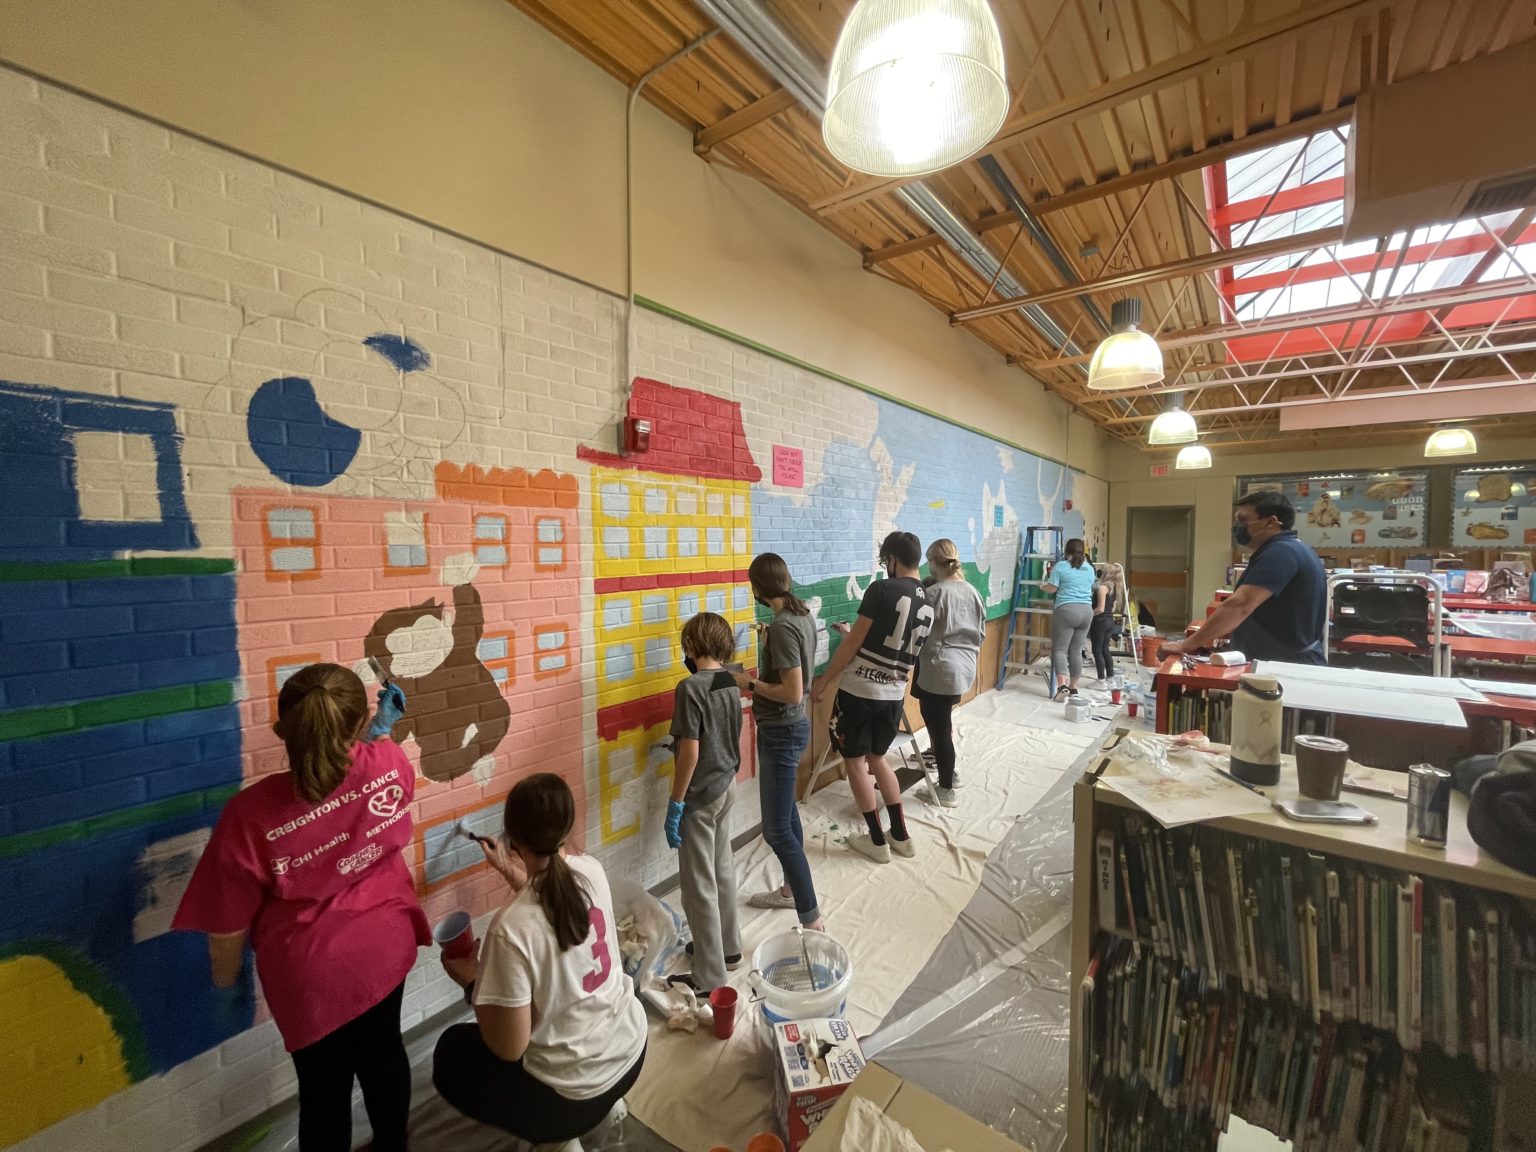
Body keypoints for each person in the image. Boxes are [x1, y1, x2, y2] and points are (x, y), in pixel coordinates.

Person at [173, 664, 425, 1152]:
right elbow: (365, 782)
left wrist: (226, 988)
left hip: (311, 979)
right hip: (384, 949)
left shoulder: (249, 815)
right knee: (384, 1057)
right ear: (355, 726)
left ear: (283, 730)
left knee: (324, 1096)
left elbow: (226, 928)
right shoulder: (389, 762)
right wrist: (379, 733)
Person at [433, 773, 646, 1149]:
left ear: (513, 840)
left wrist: (472, 983)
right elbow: (549, 901)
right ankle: (607, 1111)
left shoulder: (509, 928)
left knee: (451, 1053)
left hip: (573, 1096)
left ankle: (561, 1141)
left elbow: (509, 1048)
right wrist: (508, 870)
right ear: (567, 828)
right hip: (632, 1051)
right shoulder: (590, 871)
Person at [812, 531, 933, 863]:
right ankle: (901, 836)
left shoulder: (881, 589)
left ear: (892, 560)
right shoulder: (929, 602)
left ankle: (876, 841)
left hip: (860, 692)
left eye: (885, 562)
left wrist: (824, 679)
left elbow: (854, 645)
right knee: (879, 759)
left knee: (855, 763)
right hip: (894, 695)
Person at [732, 553, 823, 931]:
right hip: (790, 729)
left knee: (776, 830)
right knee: (787, 816)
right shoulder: (799, 617)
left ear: (757, 586)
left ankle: (812, 918)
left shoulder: (785, 626)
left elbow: (792, 691)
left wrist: (747, 683)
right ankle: (789, 890)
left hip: (783, 731)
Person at [666, 611, 744, 991]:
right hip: (727, 785)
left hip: (700, 796)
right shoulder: (730, 679)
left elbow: (689, 755)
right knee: (722, 869)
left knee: (698, 885)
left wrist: (676, 803)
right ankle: (729, 948)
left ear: (692, 646)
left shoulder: (690, 687)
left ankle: (710, 976)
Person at [1162, 491, 1327, 665]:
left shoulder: (1282, 553)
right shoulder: (1289, 549)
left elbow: (1240, 604)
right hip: (1278, 659)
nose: (1237, 526)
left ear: (1271, 522)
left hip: (1287, 665)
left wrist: (1187, 644)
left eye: (1244, 520)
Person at [913, 538, 985, 808]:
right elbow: (981, 634)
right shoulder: (972, 591)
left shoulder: (935, 594)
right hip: (964, 668)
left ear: (933, 563)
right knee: (942, 722)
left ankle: (945, 790)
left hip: (940, 667)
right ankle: (949, 773)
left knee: (939, 728)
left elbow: (919, 633)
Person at [1043, 538, 1095, 701]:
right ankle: (1074, 688)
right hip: (1086, 612)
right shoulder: (1089, 568)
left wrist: (1040, 585)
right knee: (1076, 651)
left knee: (1059, 649)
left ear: (1067, 551)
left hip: (1066, 610)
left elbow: (1052, 589)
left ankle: (1062, 686)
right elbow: (1090, 586)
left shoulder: (1061, 566)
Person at [1088, 564, 1121, 683]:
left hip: (1100, 622)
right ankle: (1110, 677)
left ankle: (1100, 680)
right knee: (1105, 649)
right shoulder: (1115, 588)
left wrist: (1088, 614)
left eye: (1102, 570)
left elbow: (1100, 609)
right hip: (1109, 621)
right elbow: (1111, 609)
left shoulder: (1102, 588)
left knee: (1097, 650)